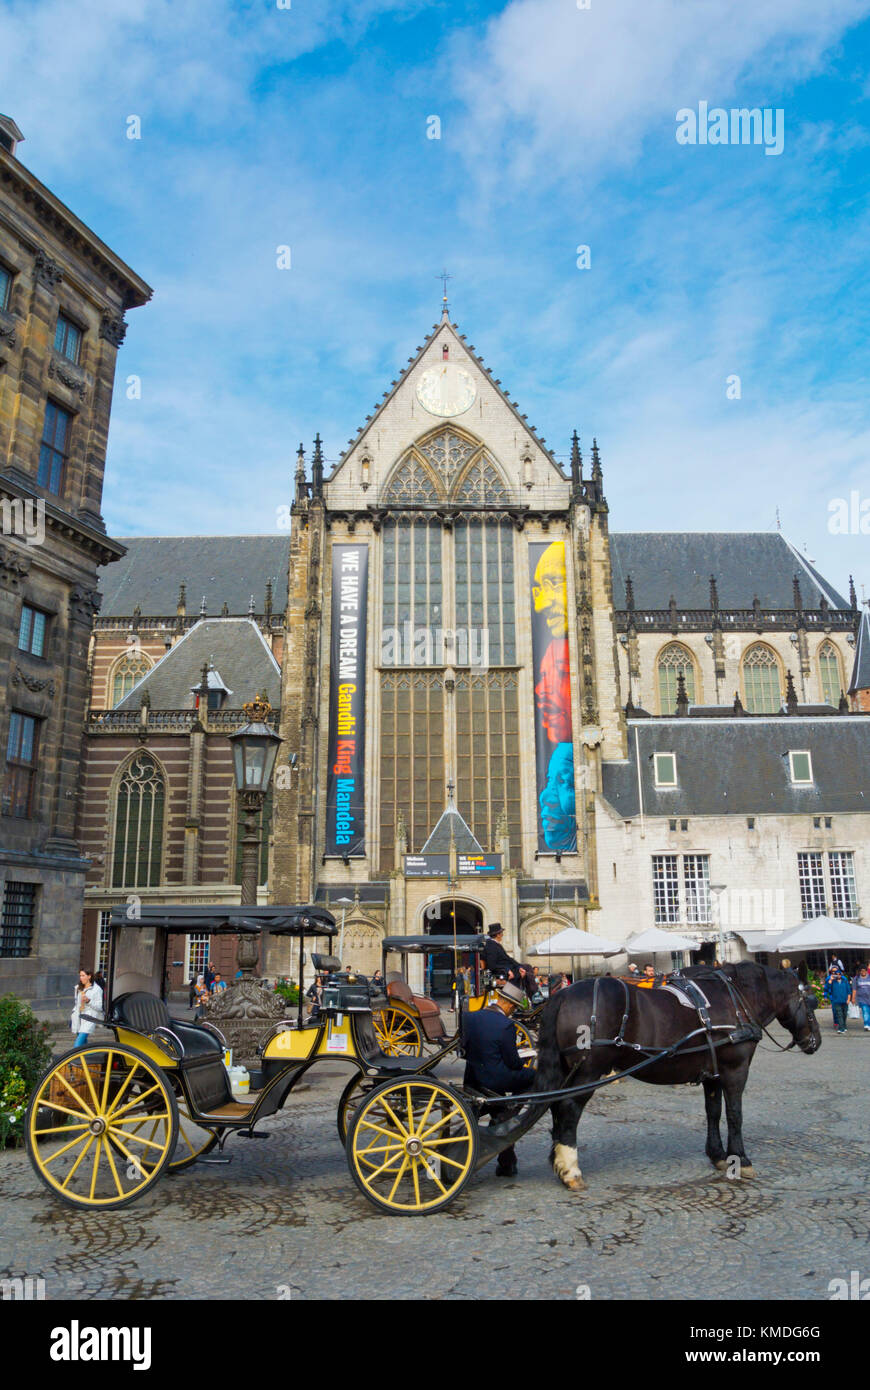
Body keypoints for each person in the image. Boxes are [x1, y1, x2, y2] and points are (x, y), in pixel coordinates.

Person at [462, 980, 535, 1178]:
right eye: (514, 1009)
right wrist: (524, 1058)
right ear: (509, 1005)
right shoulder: (506, 1025)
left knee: (503, 1108)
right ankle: (511, 1110)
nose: (513, 1012)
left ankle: (507, 1161)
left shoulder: (471, 1018)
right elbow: (513, 1063)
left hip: (473, 1077)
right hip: (496, 1080)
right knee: (533, 1077)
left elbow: (465, 1049)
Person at [483, 924, 534, 997]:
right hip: (502, 972)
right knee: (528, 970)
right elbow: (492, 965)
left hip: (509, 968)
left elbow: (509, 958)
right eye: (502, 933)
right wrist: (507, 970)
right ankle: (531, 995)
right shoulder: (491, 946)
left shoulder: (496, 945)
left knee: (526, 967)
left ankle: (528, 995)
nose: (503, 935)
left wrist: (519, 967)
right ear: (498, 935)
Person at [71, 968, 103, 1048]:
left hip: (89, 1017)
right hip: (78, 1016)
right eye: (80, 976)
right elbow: (76, 1003)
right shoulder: (78, 987)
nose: (81, 978)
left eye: (83, 975)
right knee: (83, 1046)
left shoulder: (97, 989)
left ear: (89, 976)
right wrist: (74, 1012)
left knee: (77, 1045)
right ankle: (90, 1057)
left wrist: (88, 1001)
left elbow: (99, 1007)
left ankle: (73, 1059)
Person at [824, 967, 851, 1034]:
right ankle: (841, 1028)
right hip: (836, 1001)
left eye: (839, 974)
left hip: (845, 1001)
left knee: (844, 1014)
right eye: (836, 974)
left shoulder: (844, 981)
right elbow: (827, 988)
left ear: (841, 975)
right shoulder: (832, 981)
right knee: (839, 1014)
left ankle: (844, 1026)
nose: (838, 975)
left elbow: (849, 991)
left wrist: (848, 999)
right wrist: (831, 980)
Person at [851, 966, 870, 1031]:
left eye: (864, 971)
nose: (863, 972)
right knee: (865, 1011)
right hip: (862, 999)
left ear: (867, 971)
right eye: (862, 971)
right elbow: (854, 989)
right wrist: (853, 998)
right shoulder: (856, 979)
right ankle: (866, 1025)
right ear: (860, 971)